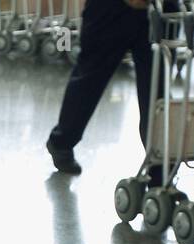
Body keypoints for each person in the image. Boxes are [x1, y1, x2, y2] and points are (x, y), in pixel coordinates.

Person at [46, 0, 162, 177]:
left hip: (160, 8)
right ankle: (62, 141)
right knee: (91, 77)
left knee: (157, 91)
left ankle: (160, 168)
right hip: (109, 8)